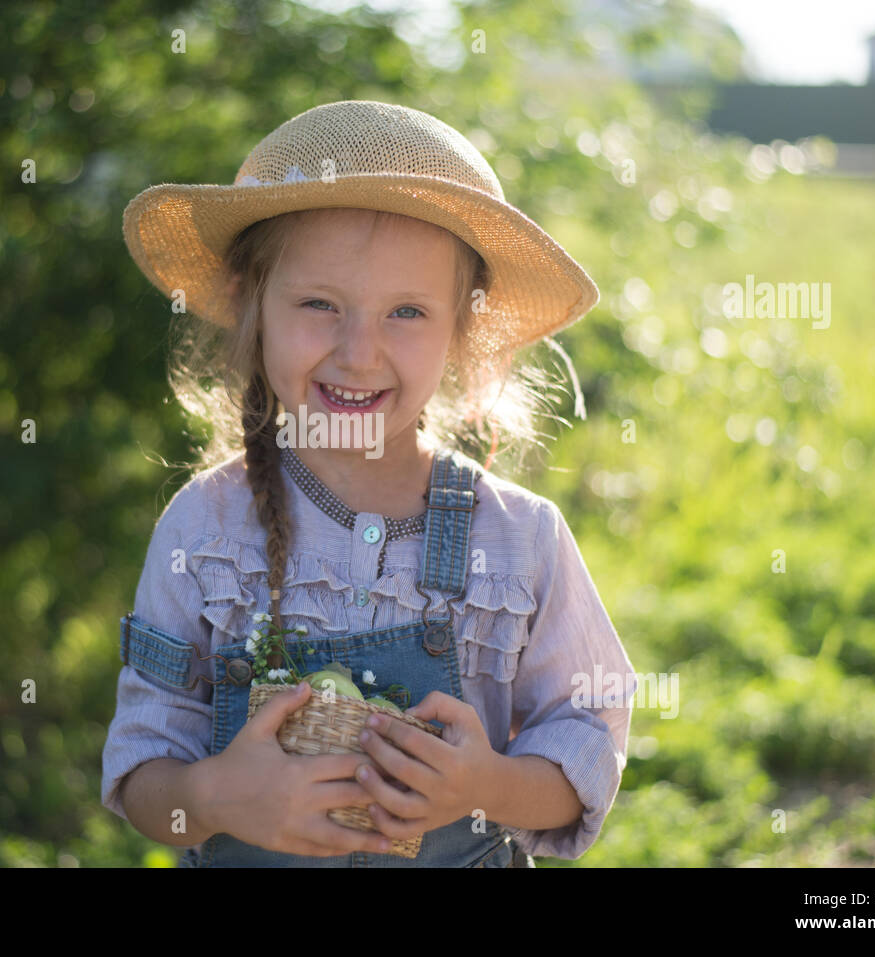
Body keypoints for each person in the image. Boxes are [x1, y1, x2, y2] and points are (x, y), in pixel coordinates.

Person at [103, 100, 635, 867]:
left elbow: (586, 741)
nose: (359, 353)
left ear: (463, 331)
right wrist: (218, 797)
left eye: (407, 312)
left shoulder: (521, 539)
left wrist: (487, 783)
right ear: (255, 306)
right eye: (320, 304)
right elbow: (145, 770)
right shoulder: (203, 530)